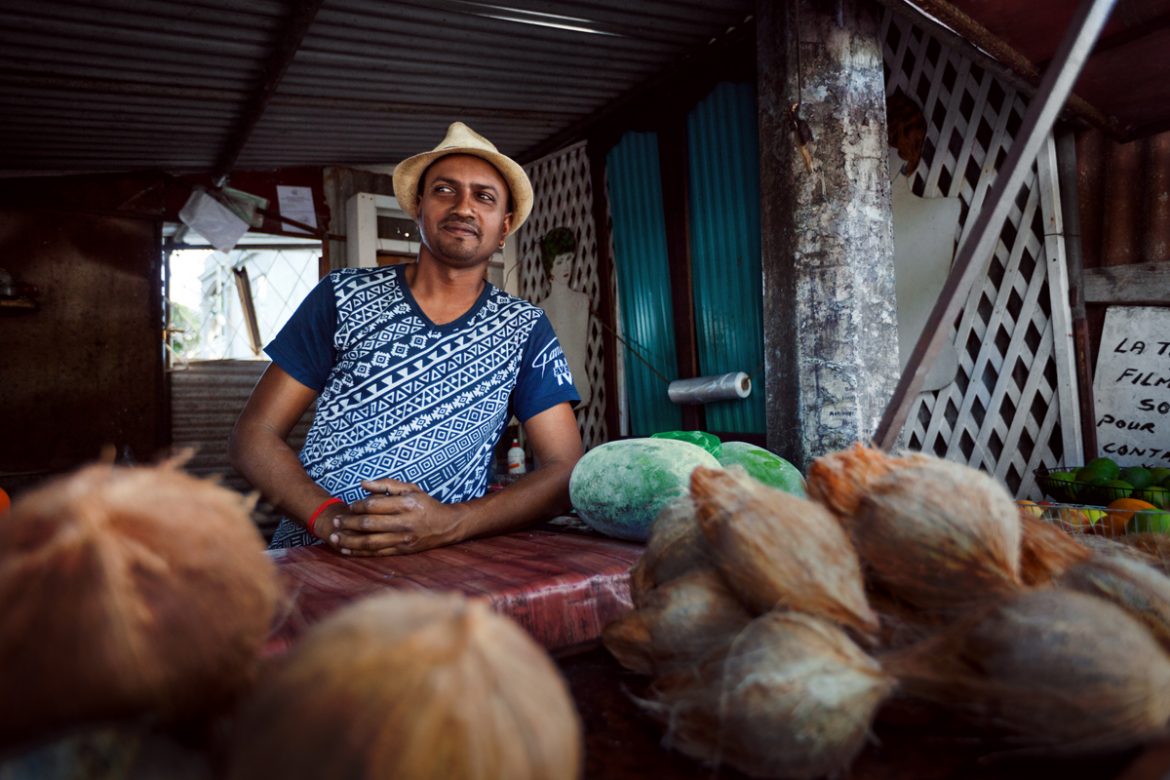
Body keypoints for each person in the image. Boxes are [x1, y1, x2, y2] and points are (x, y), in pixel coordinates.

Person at [229, 122, 582, 556]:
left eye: (484, 197)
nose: (464, 207)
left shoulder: (524, 327)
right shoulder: (343, 296)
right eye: (445, 190)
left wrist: (452, 524)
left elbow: (564, 469)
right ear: (418, 208)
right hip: (314, 556)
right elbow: (254, 434)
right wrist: (327, 518)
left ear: (504, 226)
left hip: (443, 566)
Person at [533, 227, 592, 405]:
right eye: (559, 262)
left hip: (581, 388)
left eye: (569, 259)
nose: (566, 267)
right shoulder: (541, 310)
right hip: (555, 391)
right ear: (549, 266)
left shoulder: (582, 301)